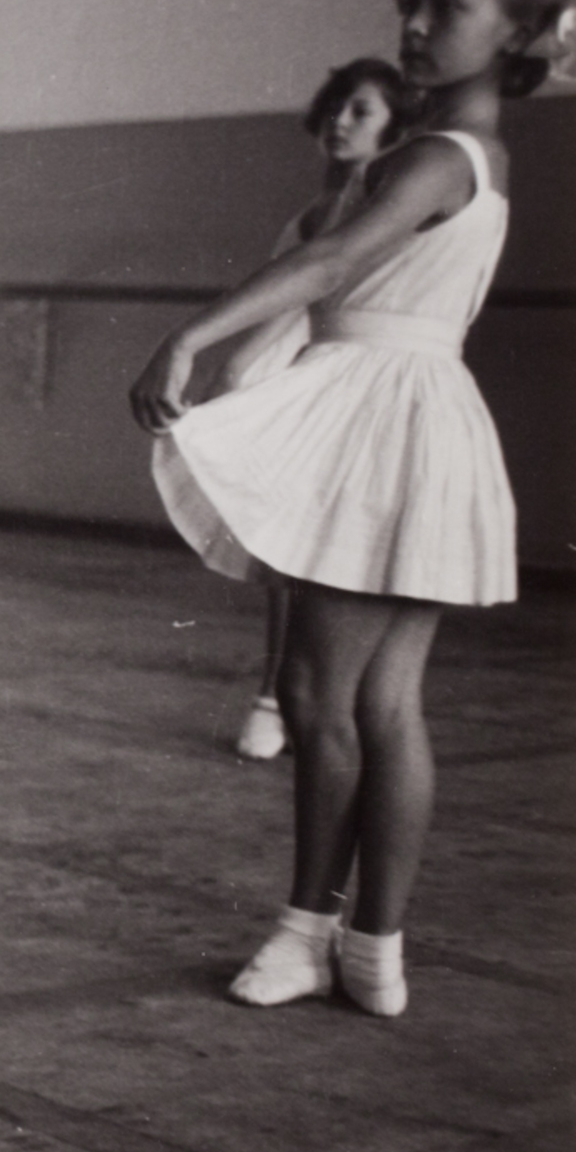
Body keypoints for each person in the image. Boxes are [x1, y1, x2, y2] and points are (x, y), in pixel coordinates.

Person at [133, 0, 575, 1018]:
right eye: (411, 0)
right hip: (419, 415)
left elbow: (331, 259)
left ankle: (304, 932)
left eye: (449, 7)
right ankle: (373, 951)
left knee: (323, 695)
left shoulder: (433, 157)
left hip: (380, 414)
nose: (417, 25)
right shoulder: (471, 153)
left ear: (517, 32)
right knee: (383, 701)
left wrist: (191, 334)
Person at [216, 58, 416, 760]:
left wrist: (239, 364)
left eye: (360, 110)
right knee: (278, 555)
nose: (340, 121)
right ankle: (281, 696)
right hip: (289, 375)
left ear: (395, 124)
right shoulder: (315, 209)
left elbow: (316, 290)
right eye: (336, 107)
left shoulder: (376, 204)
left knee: (309, 559)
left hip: (324, 380)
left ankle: (287, 698)